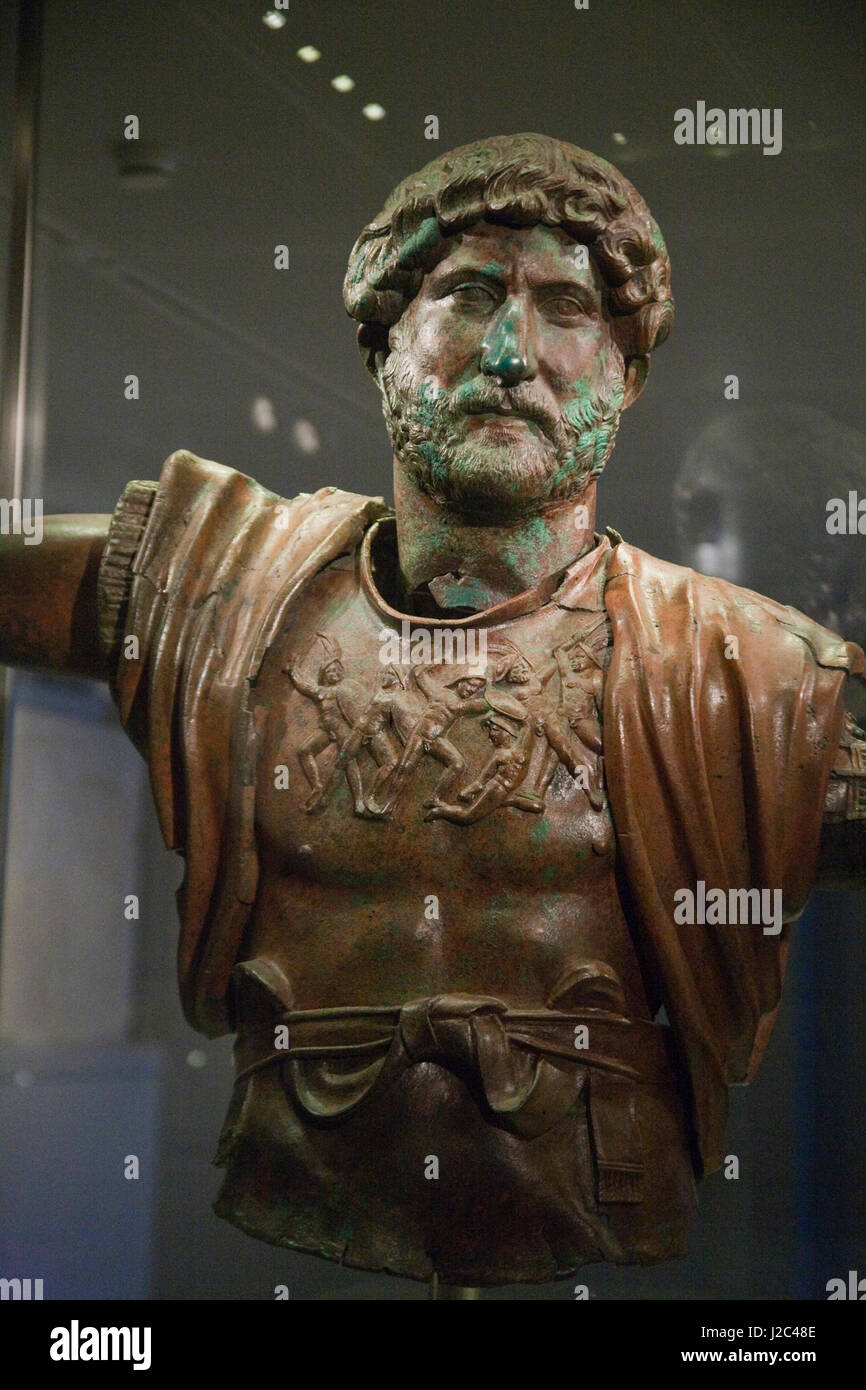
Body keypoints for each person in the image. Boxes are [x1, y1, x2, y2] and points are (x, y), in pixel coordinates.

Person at [1, 133, 863, 1287]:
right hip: (294, 1176)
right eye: (466, 294)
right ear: (381, 343)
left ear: (624, 370)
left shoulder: (737, 676)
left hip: (593, 1191)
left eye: (566, 307)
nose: (513, 351)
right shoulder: (216, 585)